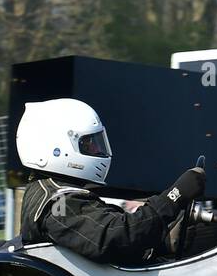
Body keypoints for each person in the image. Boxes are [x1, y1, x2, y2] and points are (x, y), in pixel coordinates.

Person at [16, 98, 205, 265]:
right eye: (88, 143)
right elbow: (116, 236)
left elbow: (111, 229)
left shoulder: (50, 192)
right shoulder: (59, 203)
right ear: (56, 148)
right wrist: (174, 196)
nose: (96, 149)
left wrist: (162, 240)